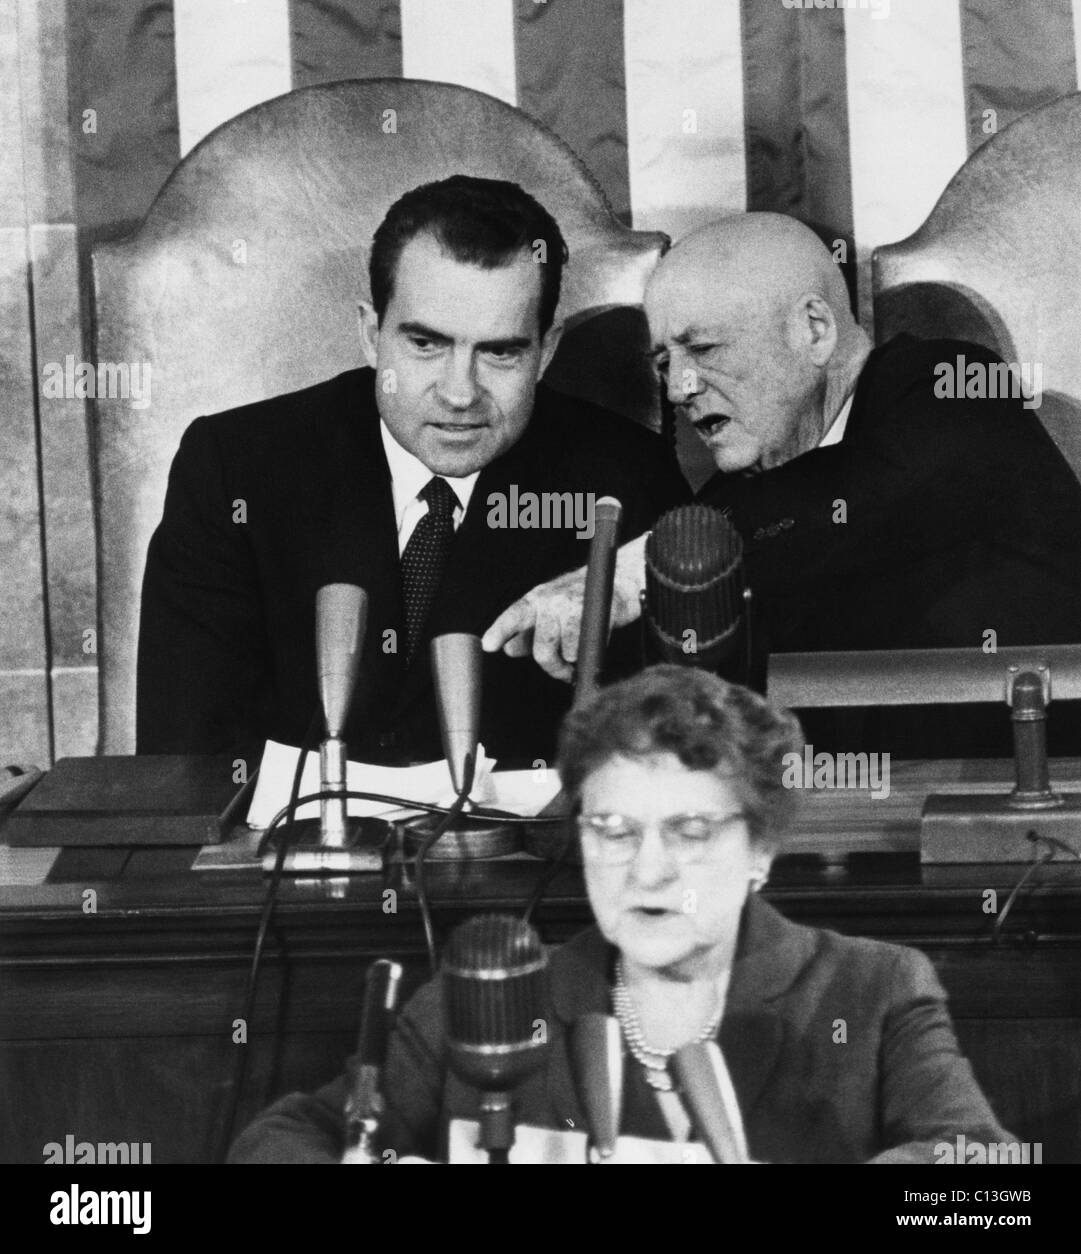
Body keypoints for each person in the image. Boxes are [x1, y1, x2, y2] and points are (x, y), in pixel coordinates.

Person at [228, 666, 1012, 1163]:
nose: (646, 869)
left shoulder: (870, 992)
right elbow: (283, 1138)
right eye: (613, 830)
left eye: (689, 831)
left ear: (761, 850)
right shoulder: (495, 995)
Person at [136, 176, 688, 765]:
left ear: (545, 352)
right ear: (373, 337)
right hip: (288, 850)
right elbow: (184, 758)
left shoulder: (626, 475)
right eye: (426, 344)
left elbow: (678, 747)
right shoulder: (235, 467)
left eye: (500, 352)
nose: (460, 393)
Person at [482, 212, 1081, 675]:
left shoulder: (947, 383)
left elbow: (863, 500)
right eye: (664, 362)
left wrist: (635, 570)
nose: (678, 388)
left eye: (705, 349)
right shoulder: (727, 502)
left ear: (814, 329)